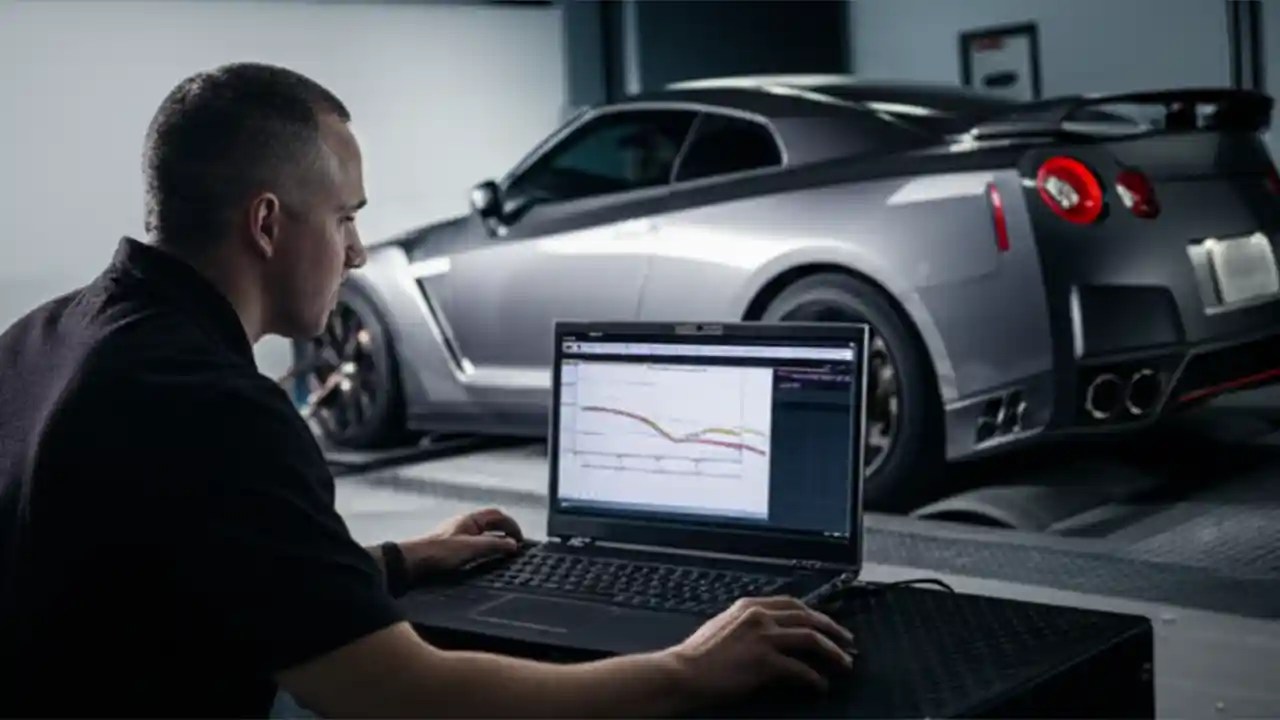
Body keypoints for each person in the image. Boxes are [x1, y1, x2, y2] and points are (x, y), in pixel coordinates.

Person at [0, 62, 856, 718]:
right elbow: (405, 694)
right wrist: (688, 670)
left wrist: (396, 563)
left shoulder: (43, 337)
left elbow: (189, 569)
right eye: (346, 217)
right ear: (266, 224)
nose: (358, 251)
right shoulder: (216, 410)